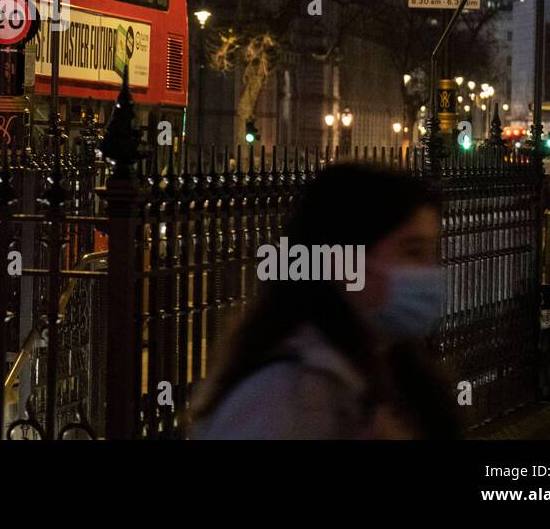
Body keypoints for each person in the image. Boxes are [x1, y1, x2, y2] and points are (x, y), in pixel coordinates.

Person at [189, 164, 458, 439]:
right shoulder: (280, 394)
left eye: (431, 251)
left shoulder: (395, 369)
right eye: (412, 251)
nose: (430, 269)